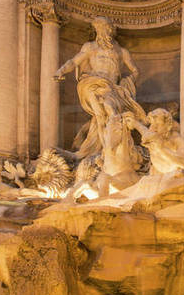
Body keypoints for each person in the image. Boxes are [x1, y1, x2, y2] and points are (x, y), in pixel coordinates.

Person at [54, 17, 147, 194]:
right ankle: (104, 151)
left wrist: (129, 81)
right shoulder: (90, 47)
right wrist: (61, 71)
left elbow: (135, 70)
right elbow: (74, 62)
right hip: (92, 83)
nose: (102, 31)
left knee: (109, 113)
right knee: (101, 112)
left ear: (111, 29)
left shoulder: (122, 52)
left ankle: (104, 150)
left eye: (104, 27)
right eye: (98, 28)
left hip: (112, 88)